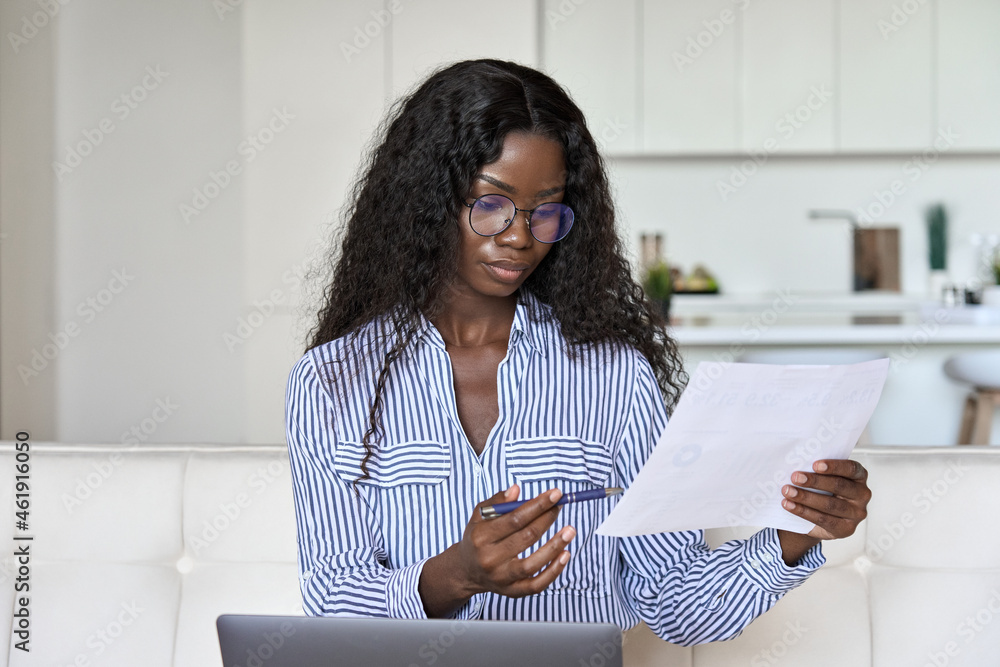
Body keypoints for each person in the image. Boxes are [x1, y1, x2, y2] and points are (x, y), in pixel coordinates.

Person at [284, 59, 871, 645]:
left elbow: (677, 602)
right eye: (491, 204)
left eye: (547, 211)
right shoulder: (332, 383)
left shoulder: (612, 374)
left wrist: (796, 532)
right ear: (428, 201)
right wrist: (455, 575)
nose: (519, 235)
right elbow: (334, 605)